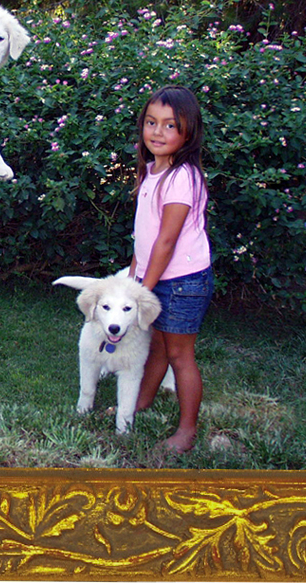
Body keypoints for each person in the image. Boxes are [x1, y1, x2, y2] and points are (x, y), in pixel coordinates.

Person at [128, 85, 213, 453]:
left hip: (182, 282)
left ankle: (187, 430)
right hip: (156, 277)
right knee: (157, 348)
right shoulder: (151, 171)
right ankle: (139, 404)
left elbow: (166, 241)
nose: (157, 132)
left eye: (169, 126)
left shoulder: (183, 177)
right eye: (151, 123)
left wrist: (143, 291)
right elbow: (143, 238)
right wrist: (135, 275)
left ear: (188, 133)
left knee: (179, 355)